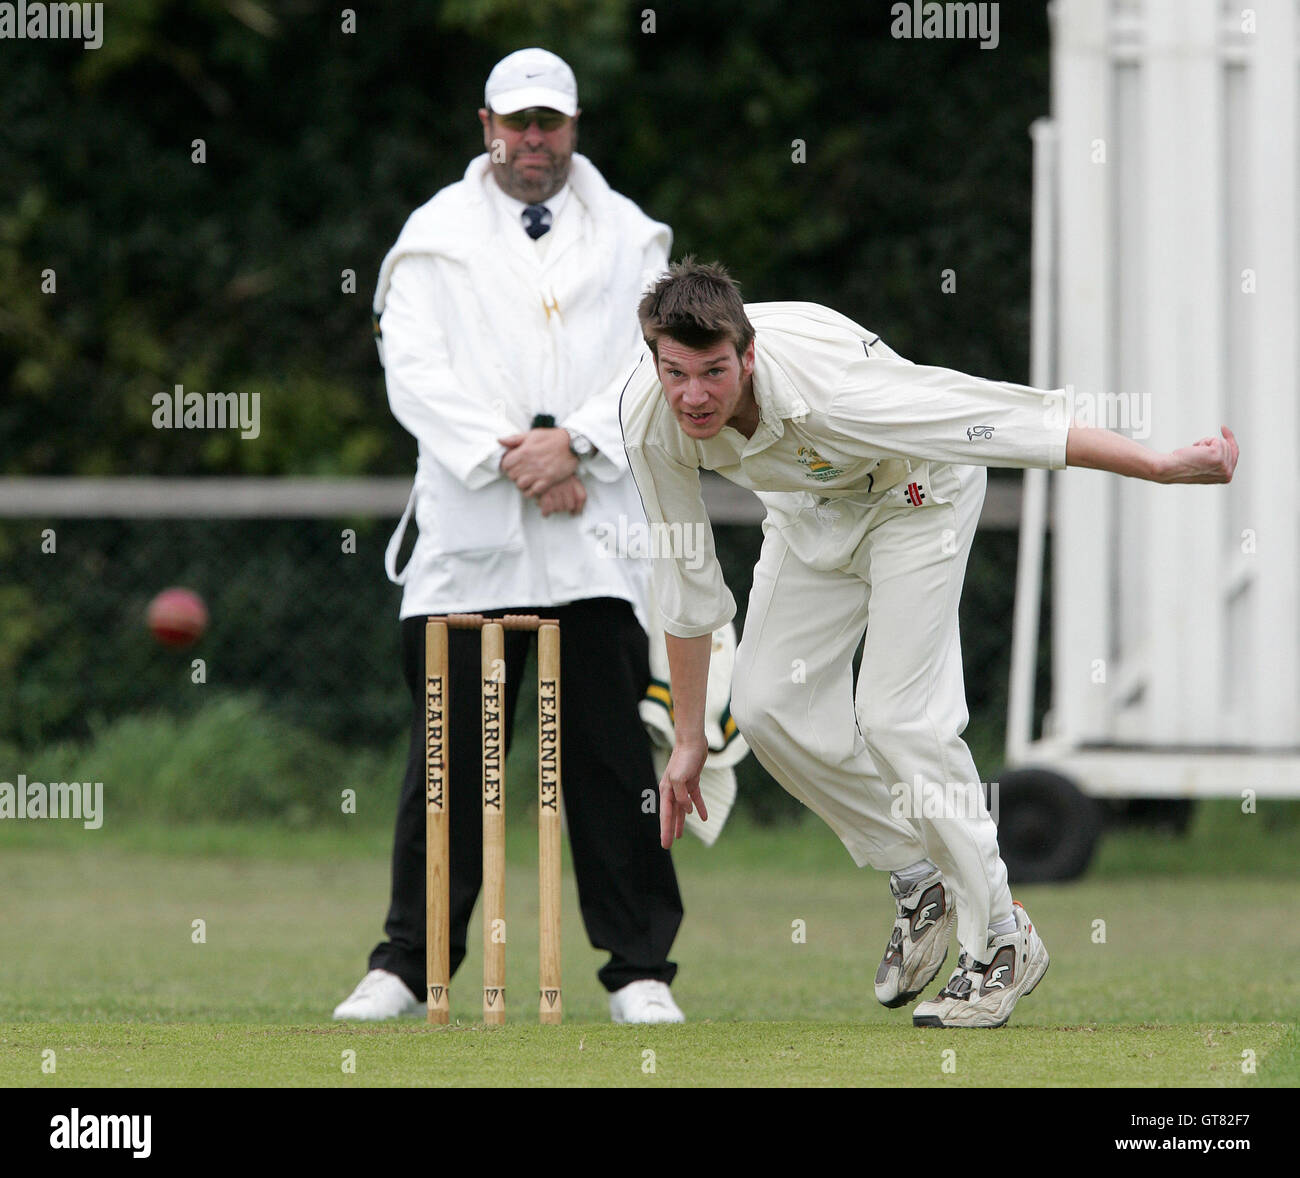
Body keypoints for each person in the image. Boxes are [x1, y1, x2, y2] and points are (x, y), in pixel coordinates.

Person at [620, 259, 1238, 1028]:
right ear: (653, 361)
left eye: (714, 372)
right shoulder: (648, 417)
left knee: (896, 719)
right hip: (813, 514)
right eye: (676, 373)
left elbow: (992, 420)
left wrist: (1156, 463)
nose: (695, 396)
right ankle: (921, 878)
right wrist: (688, 737)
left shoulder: (834, 392)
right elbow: (686, 579)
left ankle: (1003, 939)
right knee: (766, 706)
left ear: (748, 355)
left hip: (920, 495)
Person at [334, 48, 686, 1024]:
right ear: (485, 122)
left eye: (552, 124)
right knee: (448, 764)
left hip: (592, 535)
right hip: (469, 537)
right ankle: (409, 961)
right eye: (518, 123)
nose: (535, 141)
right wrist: (515, 459)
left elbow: (654, 365)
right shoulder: (432, 237)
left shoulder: (631, 238)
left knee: (611, 763)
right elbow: (415, 374)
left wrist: (573, 443)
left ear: (573, 128)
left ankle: (639, 967)